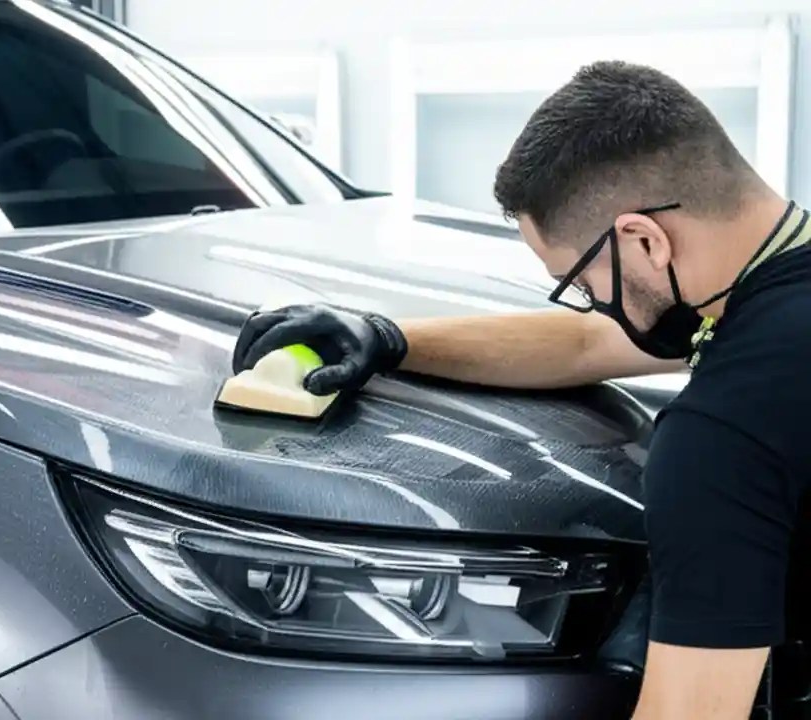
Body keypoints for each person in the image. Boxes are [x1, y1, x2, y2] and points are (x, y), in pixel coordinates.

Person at [232, 60, 811, 720]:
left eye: (584, 284)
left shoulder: (724, 437)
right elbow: (589, 343)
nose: (595, 305)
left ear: (645, 240)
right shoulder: (769, 300)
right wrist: (391, 339)